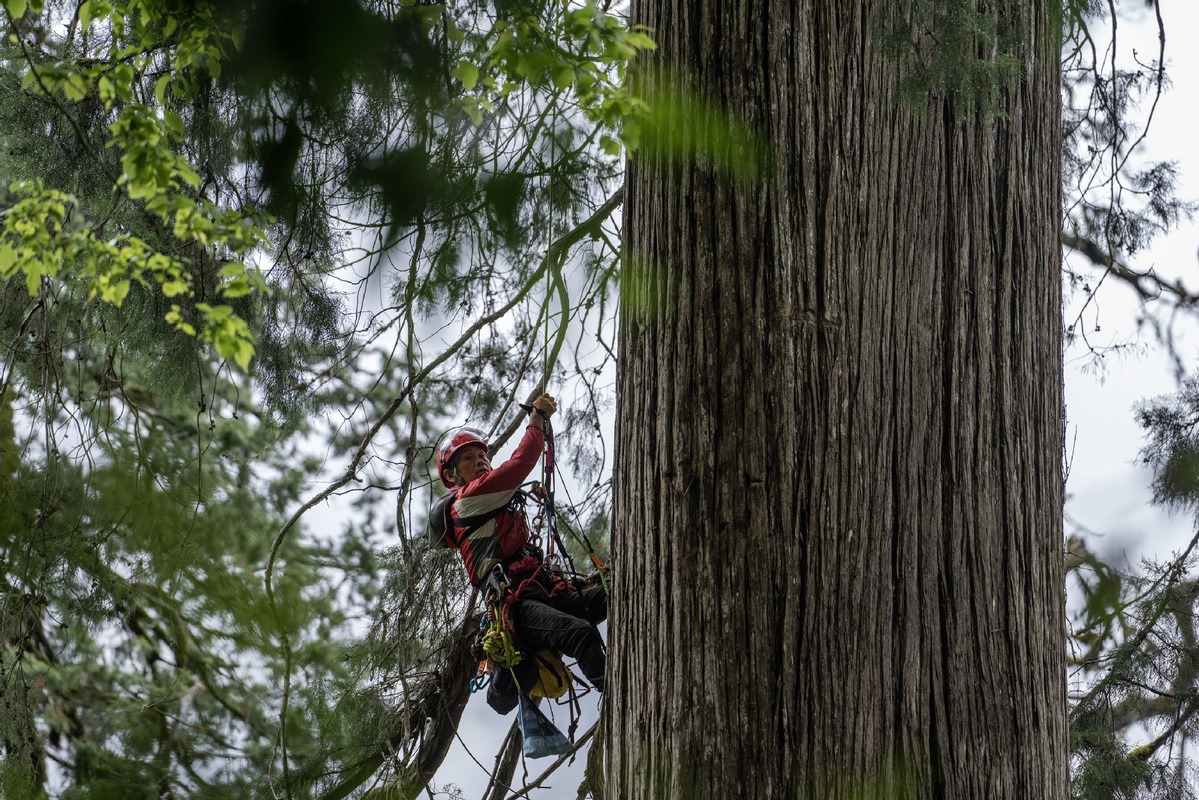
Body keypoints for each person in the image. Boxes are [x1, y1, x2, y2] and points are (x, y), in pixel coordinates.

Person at [430, 394, 607, 714]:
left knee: (614, 592)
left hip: (544, 592)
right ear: (454, 476)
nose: (480, 460)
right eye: (468, 458)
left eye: (481, 455)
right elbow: (521, 463)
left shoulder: (494, 504)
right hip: (517, 606)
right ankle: (620, 694)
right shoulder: (466, 501)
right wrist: (536, 419)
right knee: (580, 634)